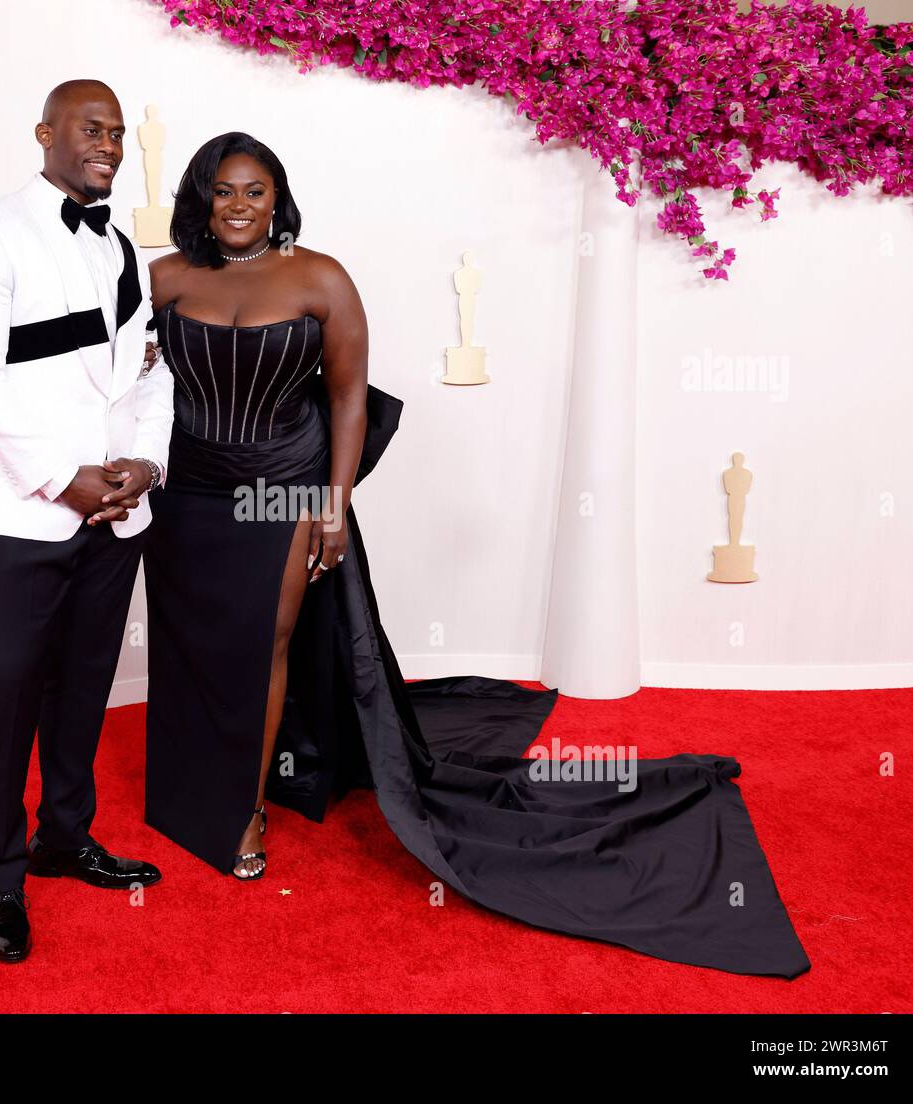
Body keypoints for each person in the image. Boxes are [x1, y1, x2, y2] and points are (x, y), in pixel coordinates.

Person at [141, 131, 810, 977]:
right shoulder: (161, 277)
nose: (237, 207)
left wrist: (335, 504)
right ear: (199, 198)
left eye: (255, 192)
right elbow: (117, 376)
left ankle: (243, 809)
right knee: (191, 643)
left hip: (284, 490)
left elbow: (347, 398)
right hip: (186, 495)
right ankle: (185, 788)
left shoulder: (320, 278)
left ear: (279, 199)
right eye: (222, 192)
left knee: (265, 643)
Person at [0, 79, 173, 963]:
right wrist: (58, 477)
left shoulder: (121, 250)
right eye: (88, 128)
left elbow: (150, 372)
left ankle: (65, 837)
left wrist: (144, 464)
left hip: (115, 515)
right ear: (44, 134)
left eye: (115, 131)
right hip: (14, 514)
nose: (106, 142)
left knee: (83, 685)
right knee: (3, 693)